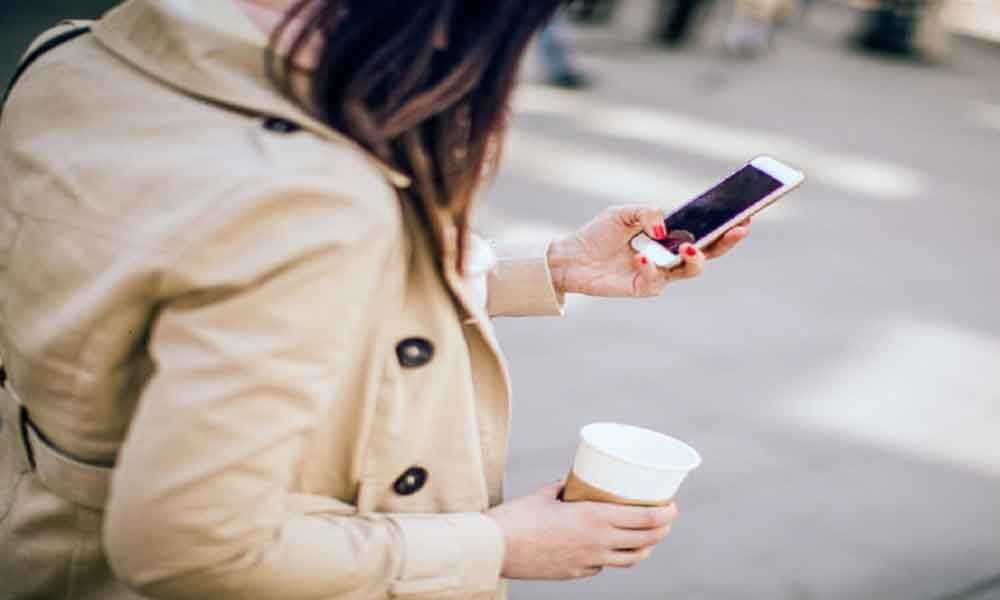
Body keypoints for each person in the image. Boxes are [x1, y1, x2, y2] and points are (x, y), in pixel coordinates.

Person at [0, 1, 751, 599]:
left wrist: (553, 268)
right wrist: (502, 544)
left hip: (42, 541)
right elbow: (192, 546)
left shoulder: (78, 56)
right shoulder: (308, 190)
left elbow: (186, 285)